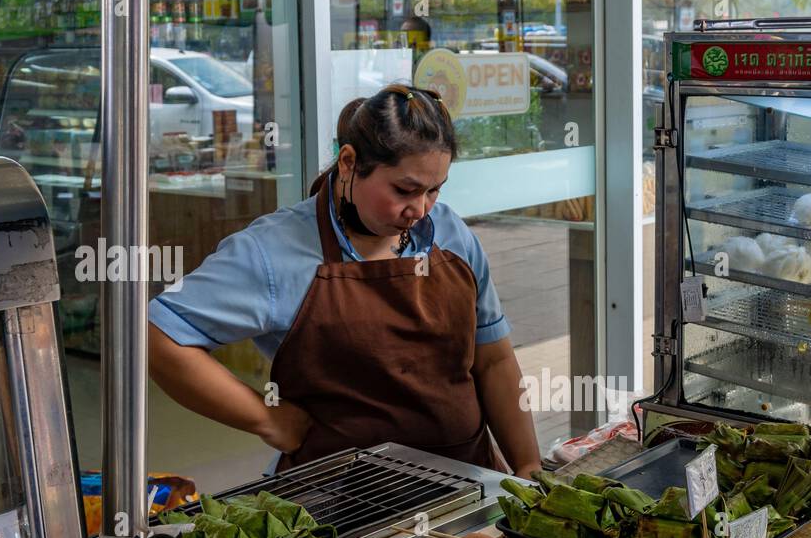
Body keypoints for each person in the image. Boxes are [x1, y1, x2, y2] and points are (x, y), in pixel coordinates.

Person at [148, 83, 541, 477]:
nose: (420, 210)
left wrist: (527, 466)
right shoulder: (271, 252)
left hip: (465, 485)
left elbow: (494, 361)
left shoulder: (452, 234)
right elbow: (157, 337)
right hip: (339, 504)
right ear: (349, 162)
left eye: (434, 191)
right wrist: (269, 420)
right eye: (405, 189)